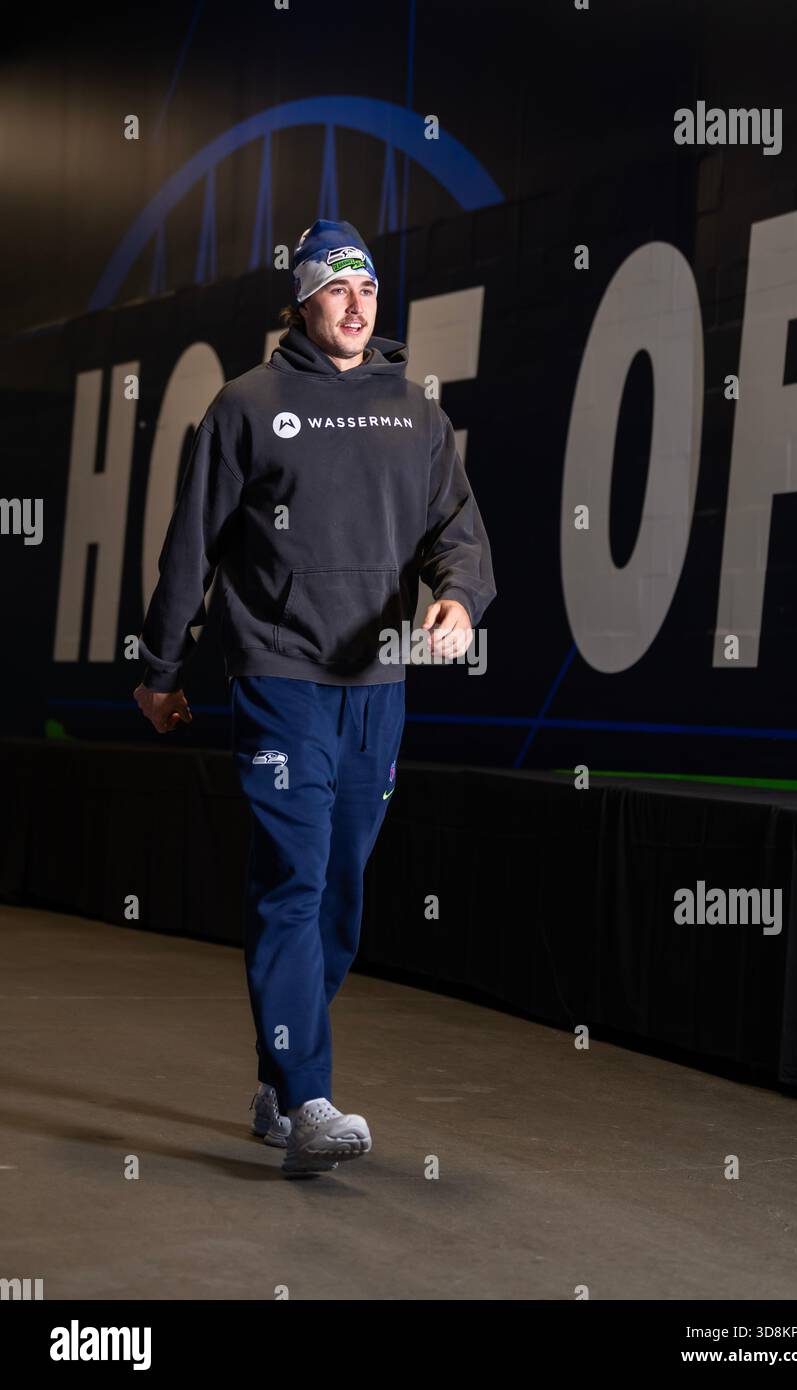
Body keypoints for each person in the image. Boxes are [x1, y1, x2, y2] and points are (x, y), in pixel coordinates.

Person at [133, 218, 496, 1176]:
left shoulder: (416, 414)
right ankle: (310, 1100)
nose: (356, 304)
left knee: (340, 890)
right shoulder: (247, 406)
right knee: (293, 878)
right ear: (301, 300)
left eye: (368, 289)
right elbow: (191, 548)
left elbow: (457, 531)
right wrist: (162, 670)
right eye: (337, 289)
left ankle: (276, 1074)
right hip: (279, 674)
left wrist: (457, 599)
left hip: (376, 684)